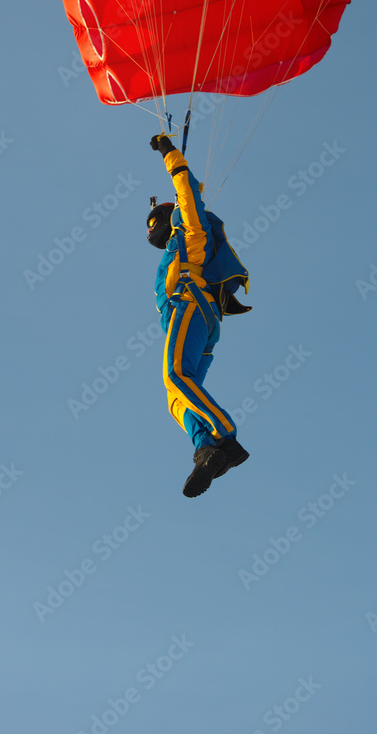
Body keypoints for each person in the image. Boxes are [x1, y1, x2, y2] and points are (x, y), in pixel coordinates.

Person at [147, 133, 251, 497]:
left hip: (190, 306)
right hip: (199, 319)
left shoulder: (190, 230)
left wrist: (170, 155)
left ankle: (226, 437)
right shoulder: (173, 251)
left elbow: (188, 191)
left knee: (175, 375)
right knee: (177, 395)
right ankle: (207, 449)